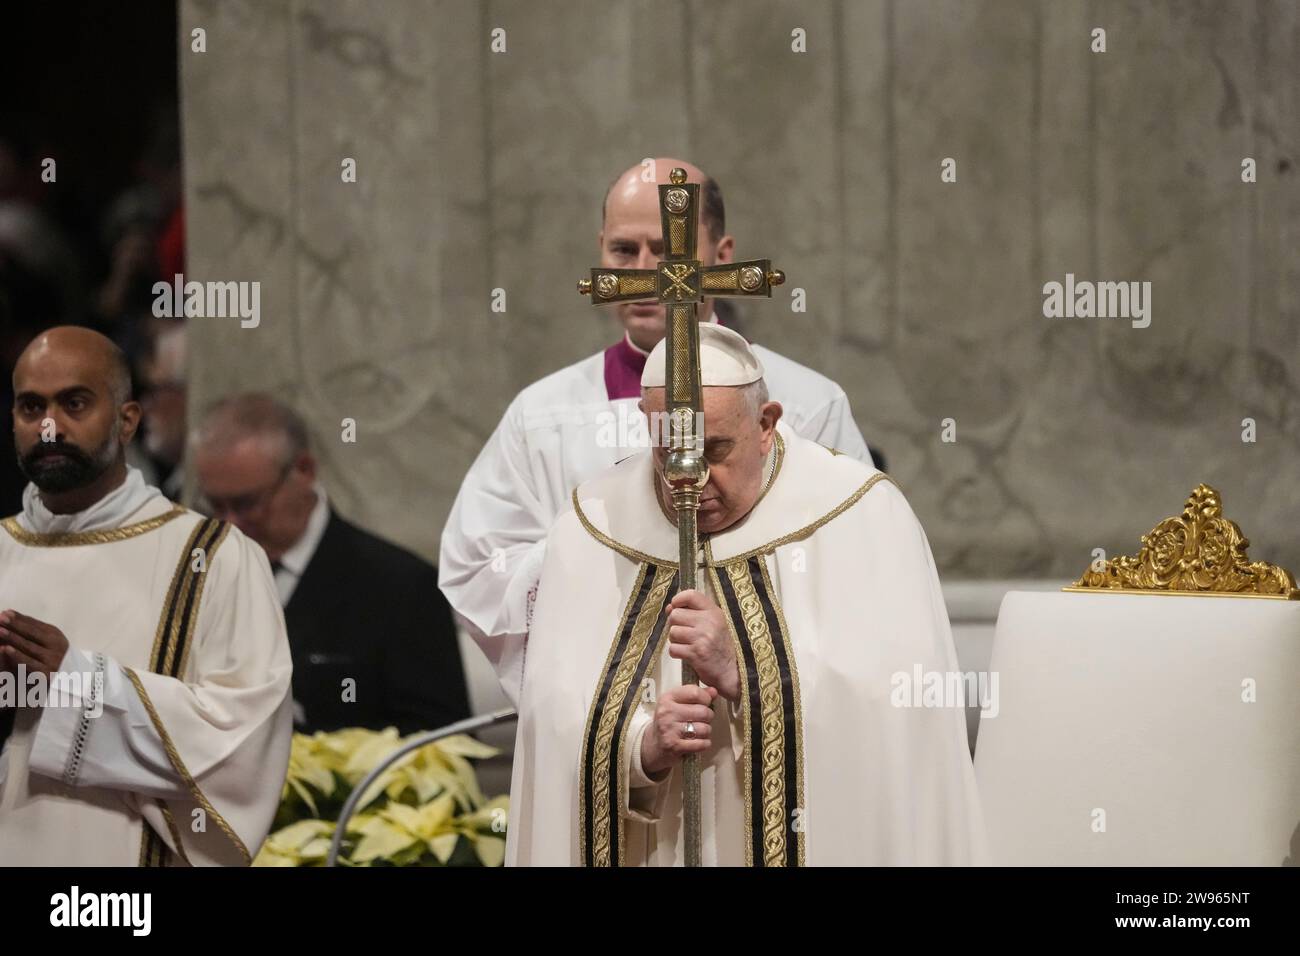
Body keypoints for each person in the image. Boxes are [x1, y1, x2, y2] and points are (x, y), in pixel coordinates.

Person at [507, 324, 985, 866]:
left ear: (766, 423)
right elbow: (549, 717)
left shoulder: (861, 514)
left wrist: (745, 670)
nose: (690, 480)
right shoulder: (591, 525)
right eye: (670, 453)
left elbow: (903, 709)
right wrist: (641, 747)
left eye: (716, 449)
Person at [441, 157, 874, 705]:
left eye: (668, 252)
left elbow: (857, 569)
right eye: (624, 251)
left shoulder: (809, 403)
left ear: (722, 256)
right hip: (609, 720)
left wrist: (744, 654)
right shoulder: (542, 415)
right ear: (600, 250)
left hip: (754, 710)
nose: (645, 273)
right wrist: (596, 558)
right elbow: (477, 568)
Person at [0, 326, 292, 866]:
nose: (48, 426)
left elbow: (246, 740)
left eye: (75, 403)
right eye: (30, 406)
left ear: (128, 419)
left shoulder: (214, 557)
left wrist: (74, 683)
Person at [193, 393, 470, 735]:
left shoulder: (400, 587)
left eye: (247, 503)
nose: (230, 524)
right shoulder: (198, 574)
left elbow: (444, 743)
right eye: (214, 505)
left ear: (304, 470)